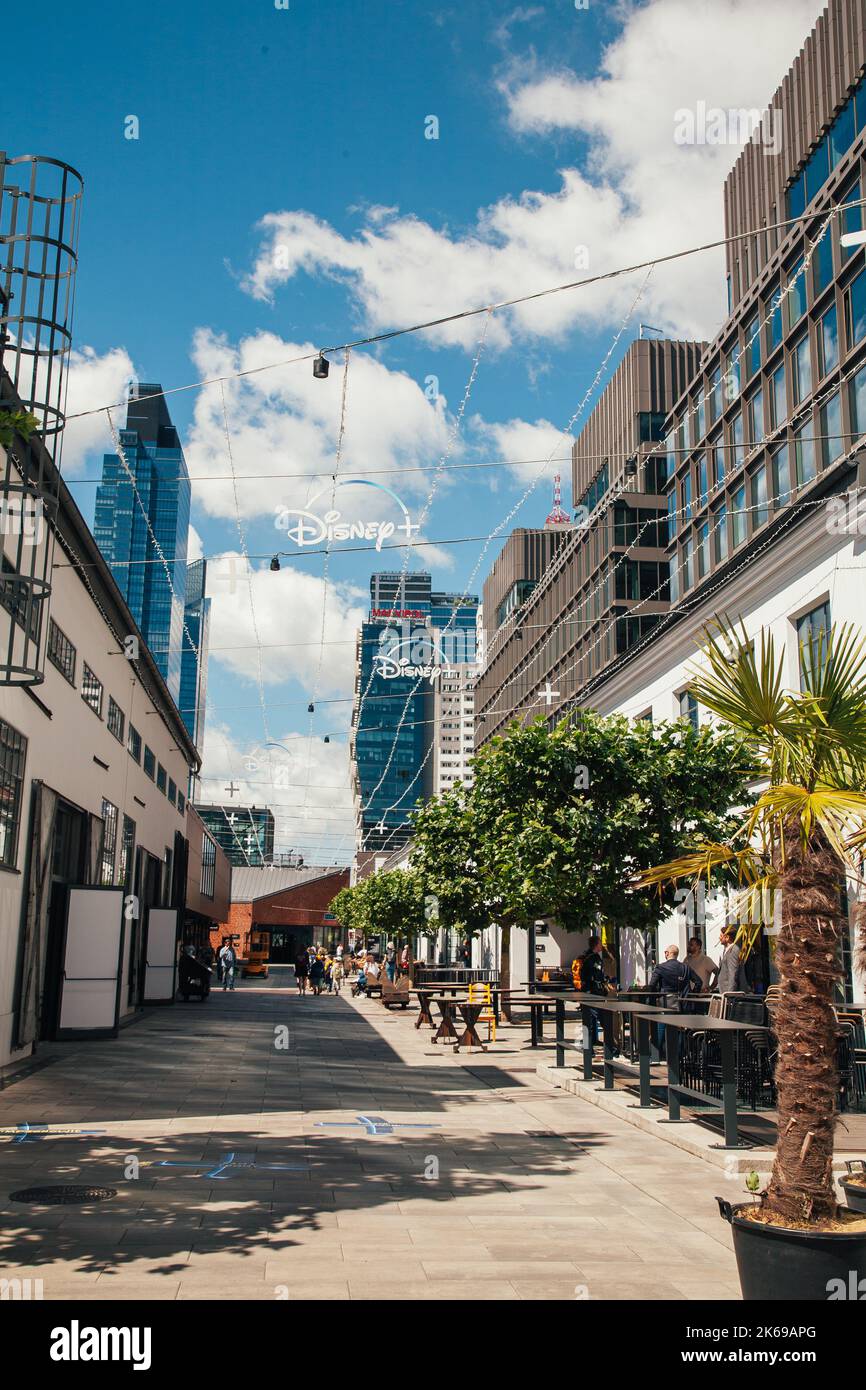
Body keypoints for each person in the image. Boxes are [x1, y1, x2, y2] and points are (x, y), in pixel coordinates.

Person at [717, 927, 746, 994]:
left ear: (727, 938)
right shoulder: (726, 950)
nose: (719, 938)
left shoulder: (733, 950)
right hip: (724, 990)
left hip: (729, 993)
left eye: (721, 936)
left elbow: (733, 973)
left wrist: (730, 994)